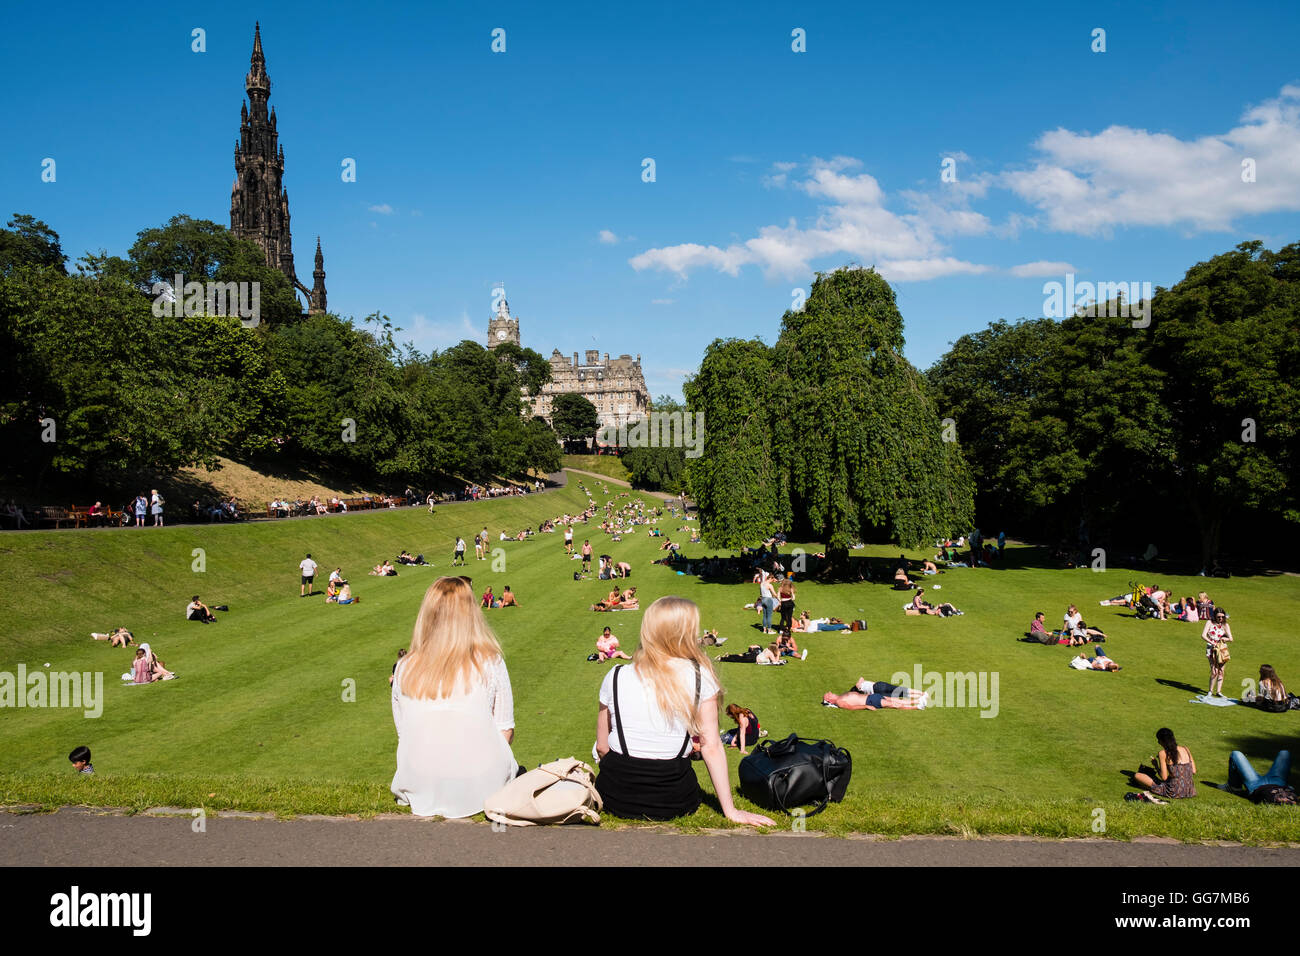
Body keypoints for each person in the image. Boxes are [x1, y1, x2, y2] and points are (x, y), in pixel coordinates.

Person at [593, 596, 774, 826]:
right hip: (673, 799)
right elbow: (711, 746)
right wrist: (731, 810)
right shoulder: (699, 676)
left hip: (615, 797)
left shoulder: (616, 675)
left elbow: (602, 747)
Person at [390, 577, 517, 818]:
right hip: (481, 782)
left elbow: (404, 732)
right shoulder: (490, 662)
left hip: (419, 779)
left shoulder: (404, 667)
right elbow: (505, 731)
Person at [1132, 728, 1196, 800]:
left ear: (1163, 741)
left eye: (1159, 740)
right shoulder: (1185, 748)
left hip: (1174, 791)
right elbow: (1193, 771)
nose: (1158, 742)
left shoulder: (1163, 753)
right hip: (1189, 790)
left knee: (1137, 775)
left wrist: (1156, 766)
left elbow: (1164, 777)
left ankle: (1149, 787)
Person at [1227, 750, 1296, 804]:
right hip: (1278, 783)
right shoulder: (1294, 800)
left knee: (1236, 754)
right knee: (1284, 753)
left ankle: (1234, 788)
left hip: (1256, 786)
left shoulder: (1278, 804)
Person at [822, 677, 928, 710]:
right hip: (870, 700)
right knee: (893, 704)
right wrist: (866, 706)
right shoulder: (840, 701)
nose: (830, 692)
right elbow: (850, 707)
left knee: (895, 700)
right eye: (829, 694)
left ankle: (918, 700)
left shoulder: (841, 696)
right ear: (829, 700)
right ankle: (918, 707)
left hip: (872, 696)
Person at [1203, 609, 1233, 697]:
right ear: (1215, 616)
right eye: (1218, 617)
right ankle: (1210, 691)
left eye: (1222, 617)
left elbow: (1231, 639)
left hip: (1222, 649)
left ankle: (1219, 691)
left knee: (1221, 670)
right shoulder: (1209, 623)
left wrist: (1225, 639)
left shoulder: (1225, 625)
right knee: (1214, 670)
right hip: (1212, 649)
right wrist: (1212, 642)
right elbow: (1203, 635)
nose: (1221, 618)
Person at [715, 643, 783, 665]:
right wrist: (778, 654)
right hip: (753, 658)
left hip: (754, 655)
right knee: (738, 659)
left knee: (740, 656)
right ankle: (721, 658)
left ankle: (727, 656)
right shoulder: (770, 653)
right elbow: (775, 662)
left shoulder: (767, 649)